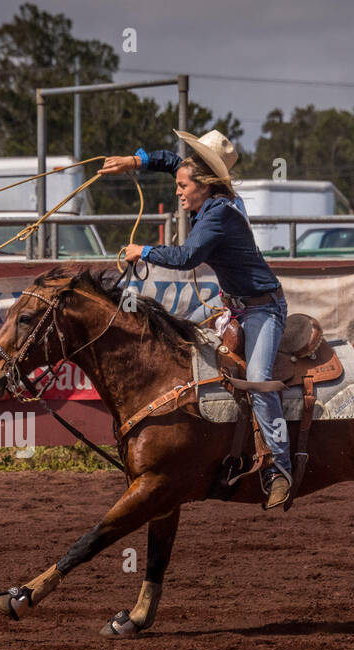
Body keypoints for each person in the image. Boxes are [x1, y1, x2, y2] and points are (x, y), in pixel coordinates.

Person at [101, 129, 292, 508]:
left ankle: (279, 468)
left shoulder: (218, 216)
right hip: (240, 307)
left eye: (183, 186)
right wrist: (134, 161)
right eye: (178, 184)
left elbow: (186, 257)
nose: (178, 190)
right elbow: (174, 163)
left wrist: (144, 250)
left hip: (262, 309)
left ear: (204, 186)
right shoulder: (217, 199)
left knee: (256, 380)